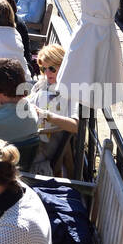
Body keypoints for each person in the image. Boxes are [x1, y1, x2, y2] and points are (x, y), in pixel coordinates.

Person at [28, 44, 78, 176]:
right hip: (29, 134)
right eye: (44, 69)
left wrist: (45, 114)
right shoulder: (44, 83)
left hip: (39, 145)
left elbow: (75, 126)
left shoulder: (72, 90)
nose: (47, 73)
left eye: (51, 68)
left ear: (63, 67)